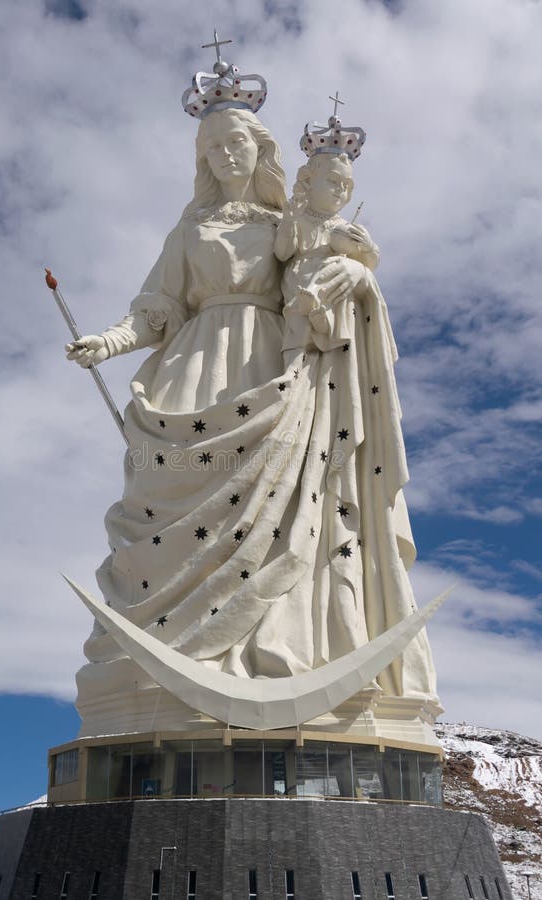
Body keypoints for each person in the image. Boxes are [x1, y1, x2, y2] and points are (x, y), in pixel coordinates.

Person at [66, 61, 438, 734]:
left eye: (236, 143)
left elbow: (321, 285)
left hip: (272, 374)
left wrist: (352, 270)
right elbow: (156, 308)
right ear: (204, 159)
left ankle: (274, 651)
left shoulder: (286, 227)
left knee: (281, 510)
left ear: (260, 150)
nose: (226, 154)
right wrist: (109, 342)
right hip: (191, 371)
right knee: (165, 504)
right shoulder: (188, 233)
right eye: (213, 148)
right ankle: (166, 666)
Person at [275, 149, 380, 352]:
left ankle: (326, 321)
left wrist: (368, 247)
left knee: (339, 267)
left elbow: (369, 263)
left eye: (346, 185)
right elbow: (282, 253)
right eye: (333, 180)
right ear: (309, 181)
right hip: (300, 281)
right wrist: (289, 222)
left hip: (336, 290)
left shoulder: (346, 227)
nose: (340, 189)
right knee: (298, 333)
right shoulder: (298, 217)